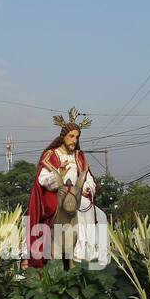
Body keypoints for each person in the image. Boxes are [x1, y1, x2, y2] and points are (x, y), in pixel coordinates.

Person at [26, 110, 107, 266]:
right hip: (57, 194)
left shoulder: (79, 156)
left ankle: (96, 254)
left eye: (77, 137)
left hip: (77, 194)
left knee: (101, 215)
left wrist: (88, 188)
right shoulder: (51, 155)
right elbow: (42, 180)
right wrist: (58, 174)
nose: (74, 140)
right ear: (63, 136)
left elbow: (88, 177)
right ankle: (80, 252)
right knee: (77, 207)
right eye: (71, 136)